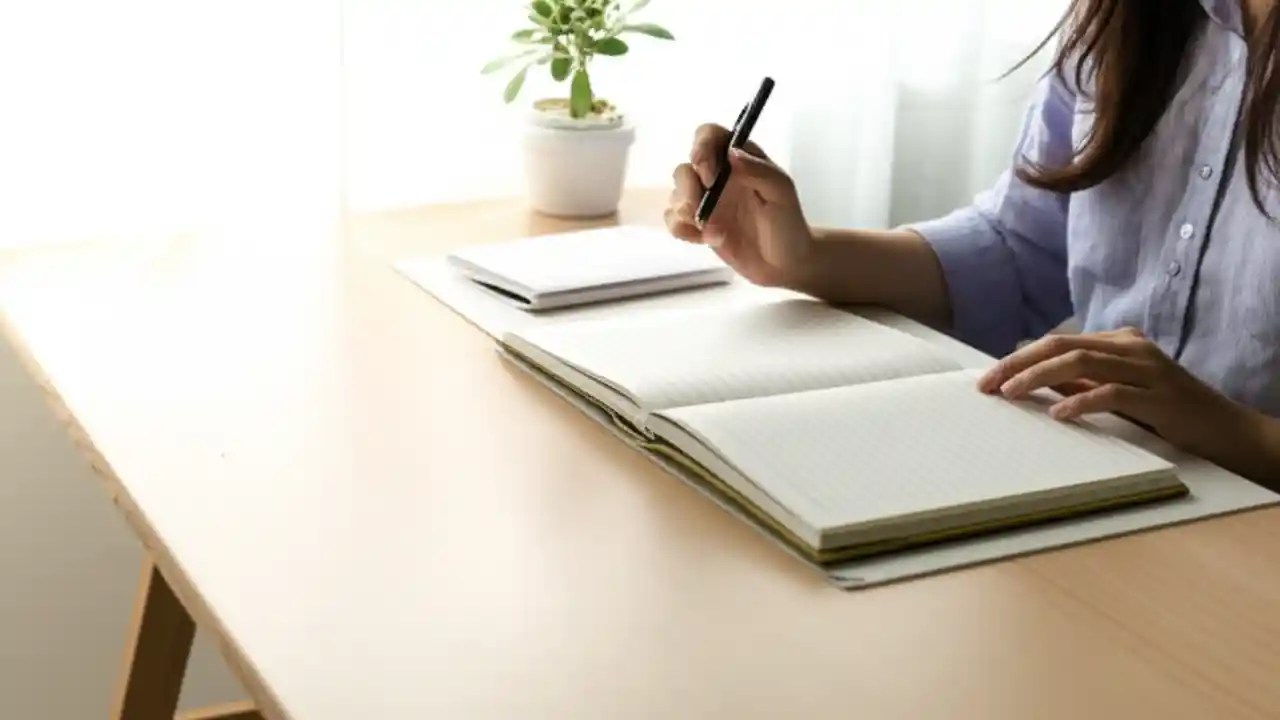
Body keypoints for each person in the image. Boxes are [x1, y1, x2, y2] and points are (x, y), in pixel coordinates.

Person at [664, 0, 1280, 488]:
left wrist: (1233, 431)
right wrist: (802, 256)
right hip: (1107, 479)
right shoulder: (1131, 17)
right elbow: (1018, 250)